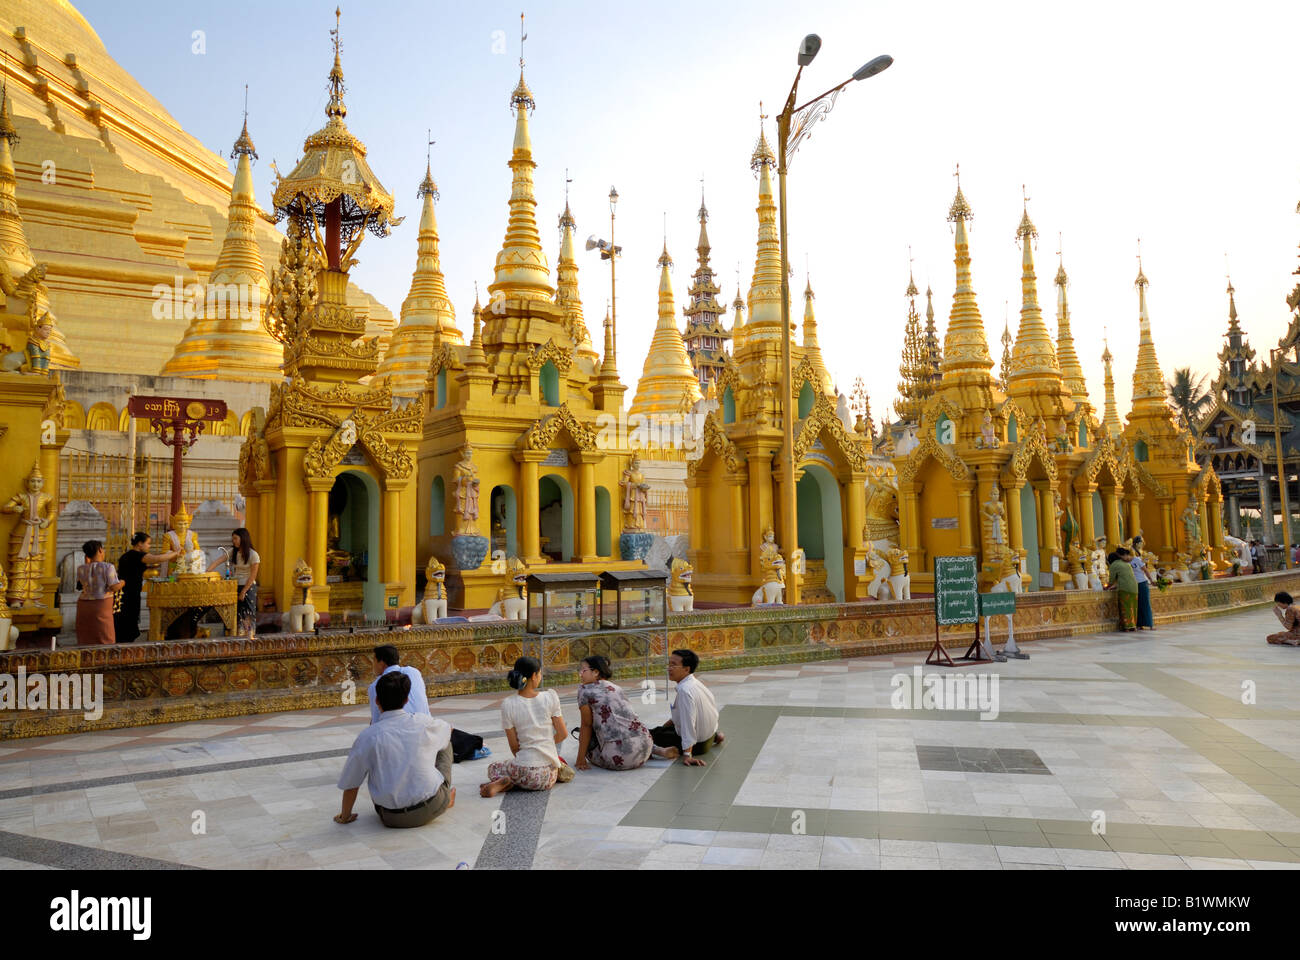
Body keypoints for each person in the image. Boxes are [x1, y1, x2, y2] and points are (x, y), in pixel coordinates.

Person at [334, 672, 455, 828]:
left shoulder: (367, 736)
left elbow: (352, 783)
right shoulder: (423, 723)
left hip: (391, 817)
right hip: (432, 806)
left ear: (377, 700)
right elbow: (448, 729)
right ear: (406, 700)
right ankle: (445, 799)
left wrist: (345, 816)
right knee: (446, 740)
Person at [480, 656, 566, 797]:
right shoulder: (550, 697)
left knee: (493, 768)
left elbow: (514, 747)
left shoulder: (508, 704)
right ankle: (512, 782)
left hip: (524, 770)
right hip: (548, 776)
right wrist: (545, 745)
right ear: (534, 676)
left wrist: (528, 753)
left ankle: (508, 781)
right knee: (543, 770)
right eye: (540, 673)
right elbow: (562, 734)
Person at [573, 655, 653, 771]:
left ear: (595, 672)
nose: (580, 674)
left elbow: (586, 725)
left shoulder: (584, 690)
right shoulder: (617, 688)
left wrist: (580, 759)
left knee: (588, 745)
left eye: (583, 670)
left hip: (619, 758)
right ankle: (657, 750)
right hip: (645, 748)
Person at [649, 649, 724, 766]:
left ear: (686, 669)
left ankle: (669, 750)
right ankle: (716, 737)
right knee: (660, 731)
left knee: (646, 735)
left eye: (673, 665)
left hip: (697, 747)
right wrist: (661, 729)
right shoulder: (696, 684)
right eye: (669, 664)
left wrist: (687, 755)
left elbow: (688, 723)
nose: (669, 668)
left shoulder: (684, 691)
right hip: (709, 738)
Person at [115, 533, 177, 643]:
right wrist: (175, 553)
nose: (149, 546)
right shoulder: (137, 555)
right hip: (129, 593)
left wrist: (172, 564)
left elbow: (154, 564)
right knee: (127, 622)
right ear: (139, 544)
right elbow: (157, 559)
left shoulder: (128, 555)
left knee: (125, 621)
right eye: (148, 543)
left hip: (126, 593)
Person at [209, 527, 259, 635]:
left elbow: (253, 576)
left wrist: (244, 591)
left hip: (248, 587)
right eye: (233, 539)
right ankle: (236, 635)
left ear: (243, 538)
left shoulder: (253, 555)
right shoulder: (233, 552)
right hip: (235, 585)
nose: (234, 541)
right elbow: (219, 561)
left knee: (247, 613)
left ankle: (249, 636)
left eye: (236, 538)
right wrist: (208, 571)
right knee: (236, 612)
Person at [76, 539, 124, 645]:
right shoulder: (108, 567)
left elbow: (79, 585)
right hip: (102, 603)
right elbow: (114, 587)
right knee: (105, 634)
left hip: (84, 604)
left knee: (87, 634)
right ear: (100, 550)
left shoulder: (81, 568)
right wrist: (123, 582)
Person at [368, 644, 430, 723]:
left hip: (400, 729)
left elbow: (376, 721)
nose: (373, 665)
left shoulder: (376, 685)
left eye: (374, 660)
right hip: (426, 724)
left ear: (381, 662)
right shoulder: (414, 672)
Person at [1105, 549, 1138, 632]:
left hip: (1125, 589)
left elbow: (1112, 579)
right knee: (1133, 607)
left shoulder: (1114, 565)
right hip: (1134, 587)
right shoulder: (1126, 564)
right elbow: (1124, 577)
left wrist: (1107, 587)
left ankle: (1127, 626)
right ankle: (1133, 626)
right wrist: (1114, 586)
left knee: (1125, 607)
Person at [1130, 535, 1155, 631]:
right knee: (1144, 604)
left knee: (1140, 604)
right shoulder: (1136, 559)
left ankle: (1142, 624)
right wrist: (1151, 580)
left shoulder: (1131, 560)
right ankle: (1147, 624)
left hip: (1136, 583)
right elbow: (1145, 570)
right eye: (1140, 543)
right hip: (1141, 582)